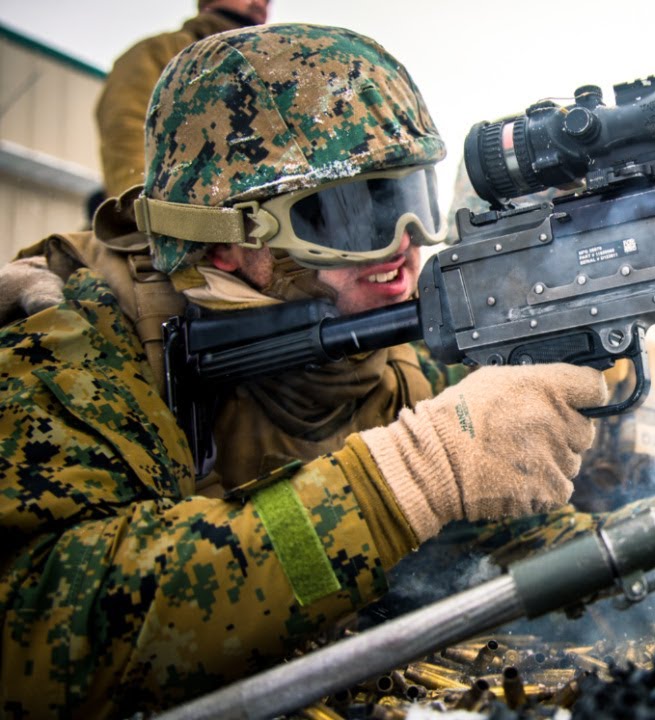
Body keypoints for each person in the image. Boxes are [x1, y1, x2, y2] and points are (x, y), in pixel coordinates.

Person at [0, 23, 606, 718]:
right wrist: (402, 483)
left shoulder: (386, 360)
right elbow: (40, 638)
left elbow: (486, 548)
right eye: (350, 216)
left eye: (408, 202)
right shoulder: (86, 354)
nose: (403, 250)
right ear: (226, 244)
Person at [96, 0, 270, 198]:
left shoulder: (271, 67)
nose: (260, 3)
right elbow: (127, 131)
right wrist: (149, 211)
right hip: (186, 214)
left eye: (267, 1)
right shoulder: (161, 52)